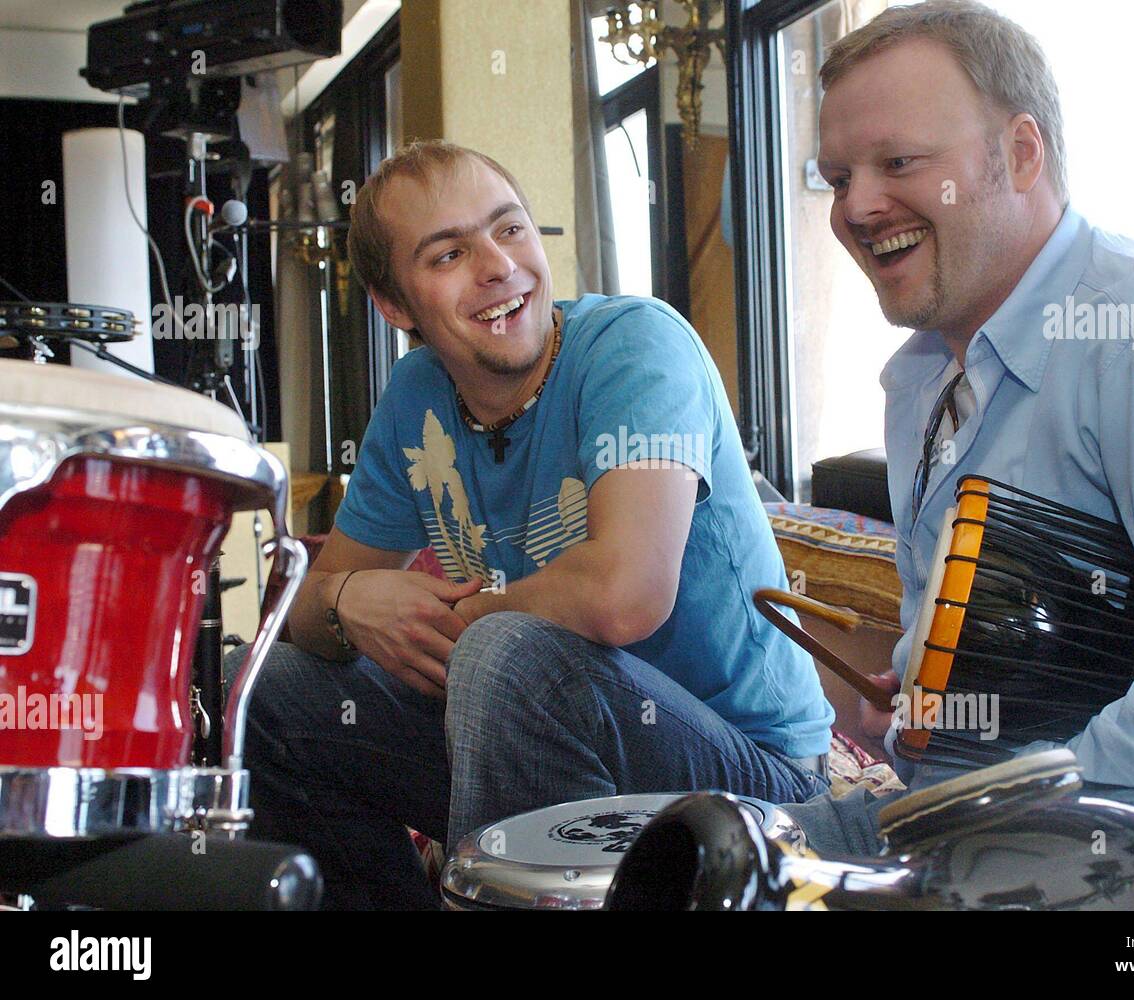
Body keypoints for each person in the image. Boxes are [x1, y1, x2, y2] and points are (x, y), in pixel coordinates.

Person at [228, 140, 833, 908]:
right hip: (540, 734)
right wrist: (347, 600)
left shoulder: (635, 345)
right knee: (269, 690)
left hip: (758, 780)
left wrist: (455, 617)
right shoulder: (417, 395)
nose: (497, 265)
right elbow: (303, 615)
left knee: (504, 654)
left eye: (510, 229)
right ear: (395, 307)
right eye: (449, 253)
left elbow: (625, 594)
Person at [784, 0, 1134, 858]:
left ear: (1022, 154)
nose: (856, 207)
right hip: (962, 825)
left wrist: (983, 827)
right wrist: (925, 695)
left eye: (898, 162)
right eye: (838, 178)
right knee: (669, 858)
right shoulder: (921, 379)